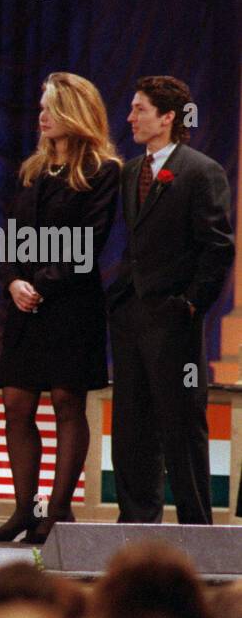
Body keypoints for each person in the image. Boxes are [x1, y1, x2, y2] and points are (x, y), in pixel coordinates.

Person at [0, 73, 120, 543]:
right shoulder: (32, 169)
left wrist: (41, 283)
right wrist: (15, 282)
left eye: (50, 107)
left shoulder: (104, 171)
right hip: (25, 302)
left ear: (74, 113)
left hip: (71, 303)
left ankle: (59, 511)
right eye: (41, 107)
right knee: (16, 402)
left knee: (66, 402)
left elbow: (90, 240)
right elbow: (7, 237)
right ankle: (25, 508)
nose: (41, 115)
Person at [108, 76, 235, 525]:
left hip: (175, 318)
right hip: (130, 316)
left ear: (167, 118)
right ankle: (136, 523)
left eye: (139, 109)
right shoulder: (128, 172)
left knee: (182, 424)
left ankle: (196, 527)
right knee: (131, 425)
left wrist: (190, 305)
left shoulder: (202, 171)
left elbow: (218, 248)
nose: (129, 118)